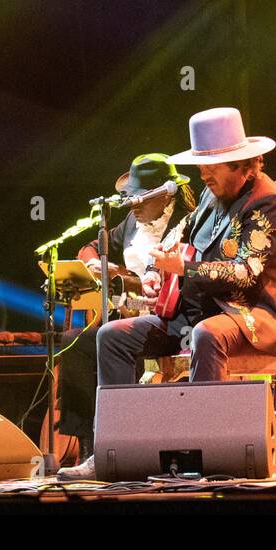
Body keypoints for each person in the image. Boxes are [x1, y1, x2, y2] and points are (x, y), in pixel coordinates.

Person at [61, 107, 276, 479]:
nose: (203, 174)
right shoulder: (209, 194)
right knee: (112, 336)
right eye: (201, 166)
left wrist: (183, 270)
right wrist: (157, 272)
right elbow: (180, 238)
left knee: (207, 334)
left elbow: (246, 274)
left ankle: (201, 453)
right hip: (196, 312)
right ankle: (115, 450)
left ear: (241, 164)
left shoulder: (269, 203)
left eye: (212, 166)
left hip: (250, 316)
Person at [55, 155, 194, 464]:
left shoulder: (189, 223)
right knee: (74, 344)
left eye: (140, 197)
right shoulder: (132, 221)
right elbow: (92, 245)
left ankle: (130, 444)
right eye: (130, 198)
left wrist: (146, 284)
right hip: (131, 313)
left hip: (172, 321)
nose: (133, 204)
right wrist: (98, 262)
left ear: (166, 193)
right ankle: (92, 444)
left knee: (114, 339)